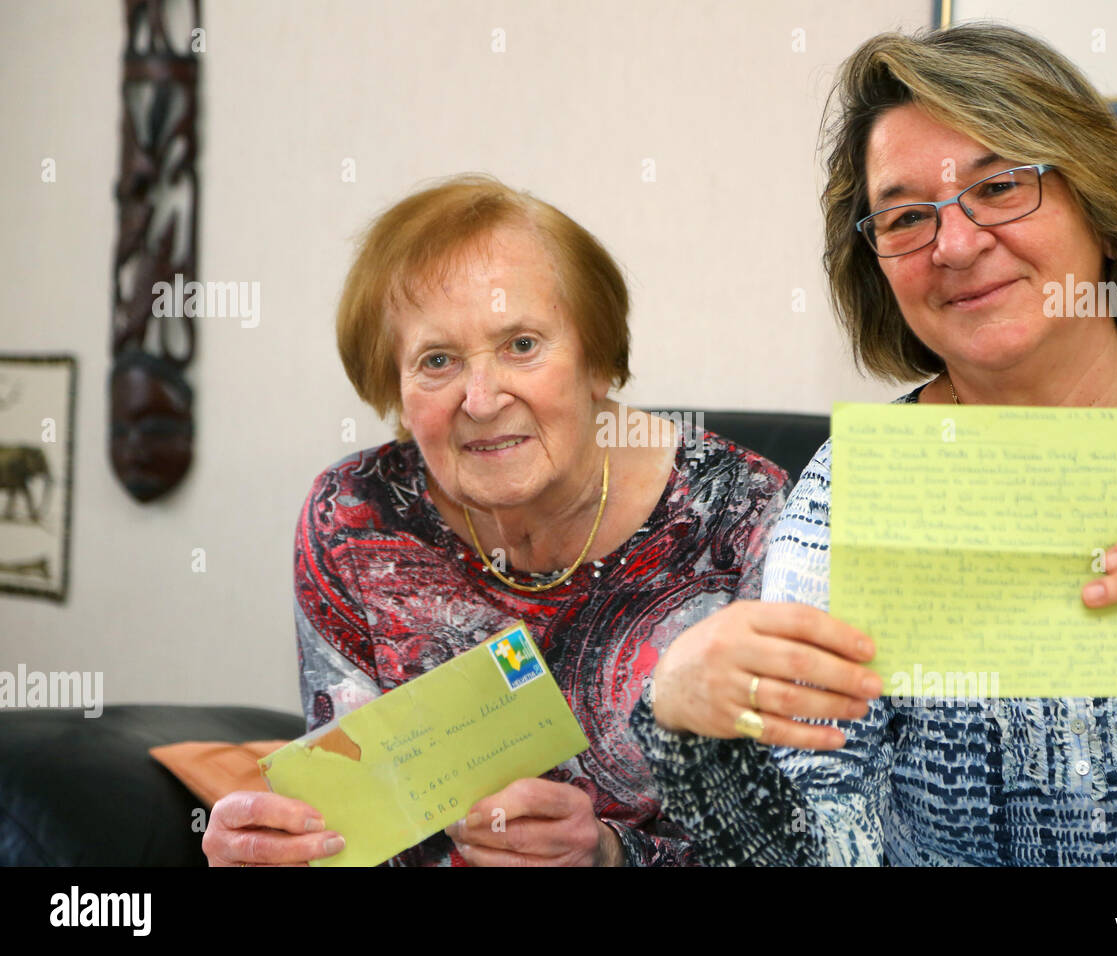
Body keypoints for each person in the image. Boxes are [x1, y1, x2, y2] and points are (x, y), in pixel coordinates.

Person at [632, 23, 1117, 865]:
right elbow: (814, 850)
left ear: (1094, 193)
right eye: (908, 216)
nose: (956, 244)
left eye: (999, 187)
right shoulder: (852, 492)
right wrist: (686, 728)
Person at [200, 175, 797, 866]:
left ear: (598, 360)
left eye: (520, 345)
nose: (480, 400)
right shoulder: (354, 521)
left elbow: (800, 845)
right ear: (393, 383)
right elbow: (356, 827)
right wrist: (281, 853)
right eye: (438, 360)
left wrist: (610, 857)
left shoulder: (743, 515)